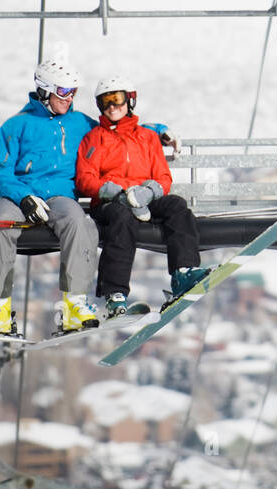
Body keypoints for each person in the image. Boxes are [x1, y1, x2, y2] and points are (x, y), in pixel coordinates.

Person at [0, 59, 101, 335]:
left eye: (73, 92)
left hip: (59, 196)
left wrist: (159, 132)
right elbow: (0, 172)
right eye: (64, 92)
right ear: (45, 90)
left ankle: (75, 304)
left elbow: (119, 133)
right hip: (21, 195)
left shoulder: (81, 123)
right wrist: (24, 198)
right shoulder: (16, 126)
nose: (70, 99)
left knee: (78, 222)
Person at [75, 74, 207, 317]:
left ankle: (183, 271)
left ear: (130, 101)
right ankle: (115, 293)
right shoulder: (95, 138)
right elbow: (85, 178)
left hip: (143, 197)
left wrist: (149, 192)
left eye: (116, 99)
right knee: (122, 218)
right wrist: (113, 191)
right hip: (109, 201)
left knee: (177, 206)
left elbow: (163, 177)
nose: (111, 107)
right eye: (105, 102)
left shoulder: (146, 137)